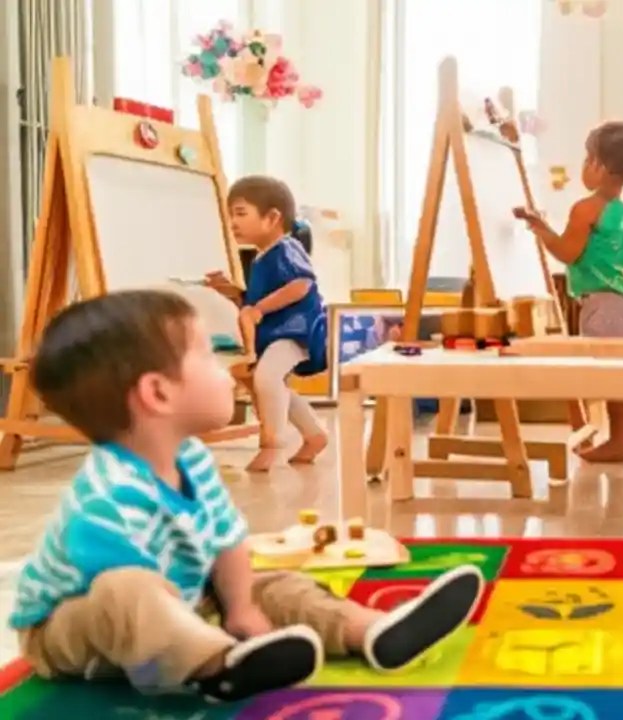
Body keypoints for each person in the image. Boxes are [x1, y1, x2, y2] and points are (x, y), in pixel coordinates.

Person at [8, 291, 484, 702]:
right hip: (70, 630)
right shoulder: (107, 500)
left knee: (268, 582)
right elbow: (134, 607)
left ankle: (369, 630)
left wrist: (241, 608)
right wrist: (211, 625)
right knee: (127, 589)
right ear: (157, 393)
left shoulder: (190, 459)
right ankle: (218, 665)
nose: (228, 371)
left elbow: (228, 539)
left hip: (179, 597)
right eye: (208, 357)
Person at [516, 120, 623, 463]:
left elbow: (567, 253)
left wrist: (540, 231)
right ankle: (621, 439)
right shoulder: (622, 213)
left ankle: (620, 442)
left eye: (587, 158)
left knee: (611, 378)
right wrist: (548, 228)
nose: (583, 167)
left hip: (604, 306)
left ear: (602, 168)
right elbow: (620, 255)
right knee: (619, 377)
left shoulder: (585, 208)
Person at [205, 176, 328, 472]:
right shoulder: (262, 257)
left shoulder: (286, 248)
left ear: (273, 217)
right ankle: (315, 435)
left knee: (266, 379)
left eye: (241, 213)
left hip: (298, 330)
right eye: (231, 214)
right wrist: (236, 294)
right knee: (272, 382)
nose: (233, 222)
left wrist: (257, 308)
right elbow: (261, 297)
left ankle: (272, 444)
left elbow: (301, 284)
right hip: (279, 332)